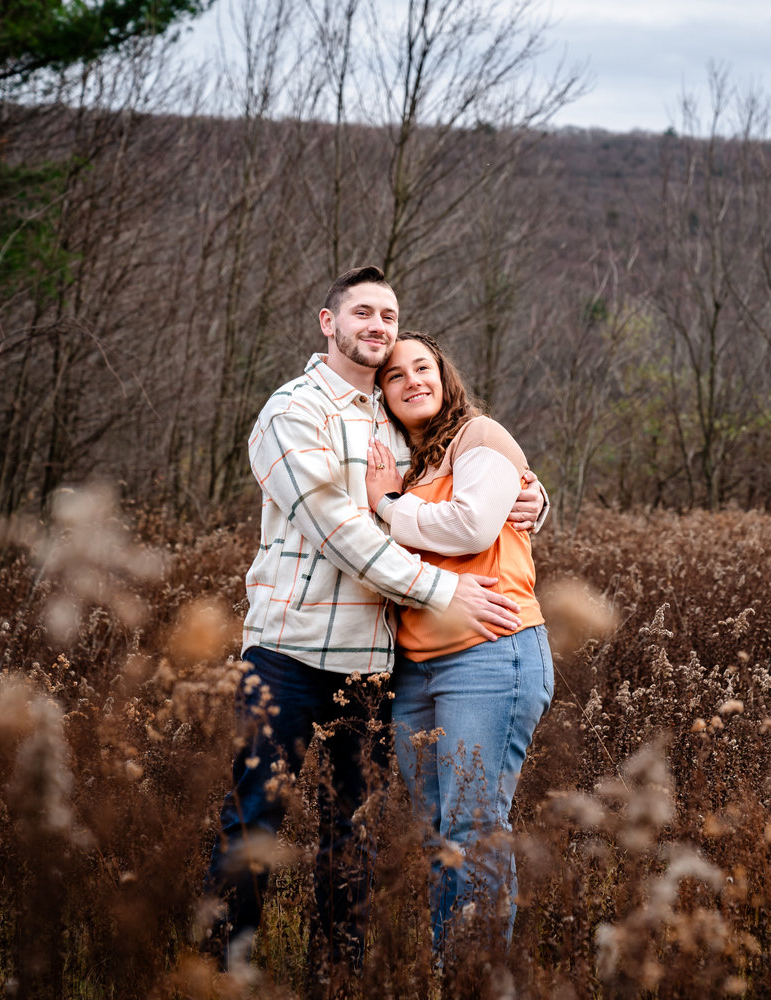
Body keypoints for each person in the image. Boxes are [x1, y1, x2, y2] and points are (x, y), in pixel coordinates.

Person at [202, 266, 546, 980]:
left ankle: (339, 975)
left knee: (351, 835)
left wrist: (534, 495)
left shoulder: (398, 419)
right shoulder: (293, 413)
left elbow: (468, 480)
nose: (377, 327)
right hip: (289, 656)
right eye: (362, 313)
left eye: (388, 316)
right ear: (329, 323)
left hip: (375, 666)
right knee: (253, 821)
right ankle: (220, 974)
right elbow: (340, 532)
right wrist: (442, 589)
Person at [363, 331, 554, 959]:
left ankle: (479, 974)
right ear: (383, 395)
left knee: (473, 828)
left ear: (445, 376)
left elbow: (473, 524)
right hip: (415, 669)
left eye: (424, 367)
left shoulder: (479, 436)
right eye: (395, 375)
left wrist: (390, 507)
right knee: (436, 832)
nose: (413, 380)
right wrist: (395, 497)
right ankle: (454, 968)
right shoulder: (403, 459)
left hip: (491, 653)